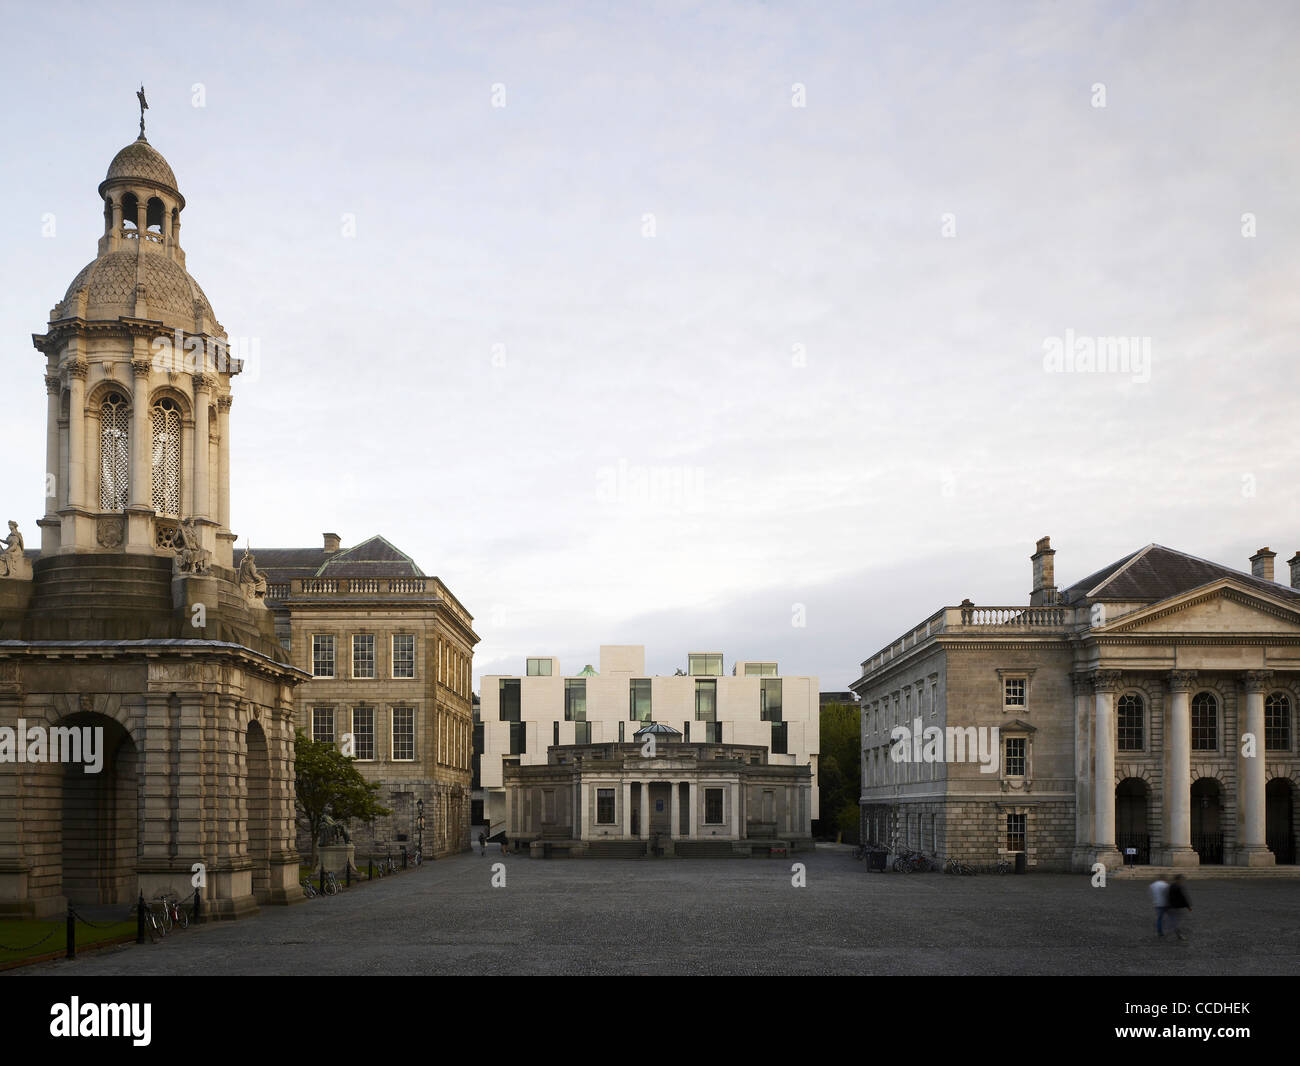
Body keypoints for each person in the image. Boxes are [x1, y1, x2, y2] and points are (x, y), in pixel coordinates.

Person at [1166, 875, 1192, 940]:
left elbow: (1168, 896)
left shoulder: (1171, 886)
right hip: (1177, 907)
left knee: (1175, 920)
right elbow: (1183, 897)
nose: (1182, 881)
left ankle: (1175, 930)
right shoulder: (1179, 887)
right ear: (1178, 880)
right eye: (1182, 880)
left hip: (1171, 906)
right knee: (1177, 921)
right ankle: (1179, 934)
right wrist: (1188, 906)